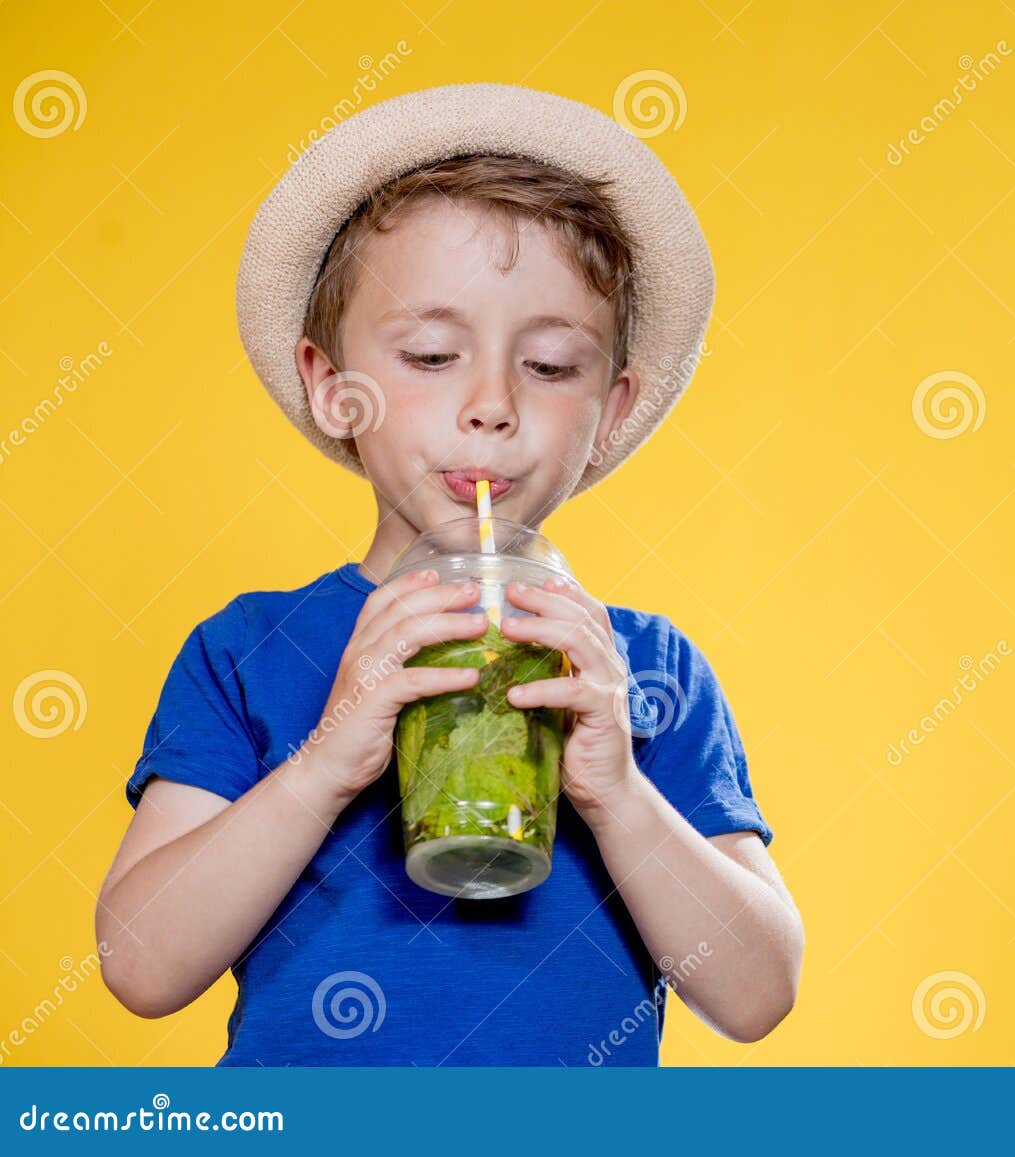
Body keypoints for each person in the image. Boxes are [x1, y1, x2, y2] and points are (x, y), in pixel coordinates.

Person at [94, 83, 803, 1066]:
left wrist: (617, 791)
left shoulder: (637, 669)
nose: (491, 405)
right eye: (431, 352)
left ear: (612, 406)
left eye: (551, 365)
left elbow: (759, 992)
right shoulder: (247, 651)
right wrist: (324, 763)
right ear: (331, 386)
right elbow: (139, 963)